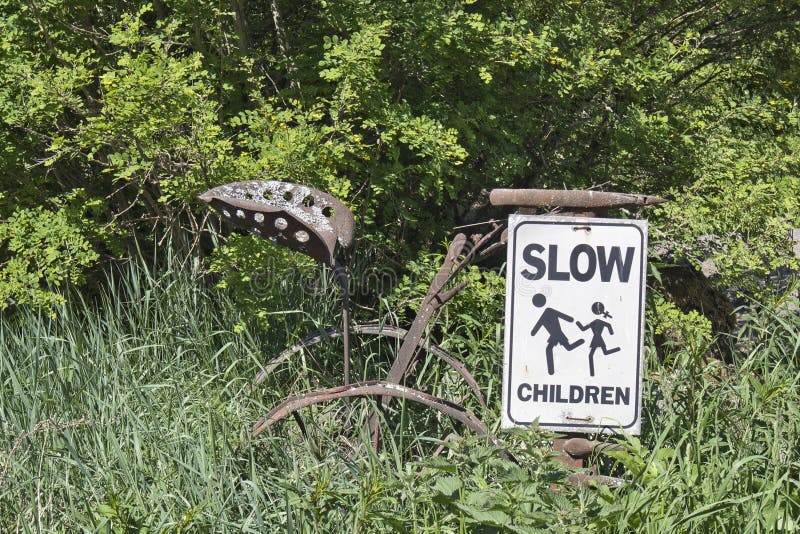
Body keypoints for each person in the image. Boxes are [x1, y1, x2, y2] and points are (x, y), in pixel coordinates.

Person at [530, 293, 584, 375]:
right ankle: (551, 371)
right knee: (549, 349)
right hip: (554, 335)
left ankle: (581, 341)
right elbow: (537, 326)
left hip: (558, 333)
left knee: (567, 348)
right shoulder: (546, 314)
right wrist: (533, 332)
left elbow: (565, 317)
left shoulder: (549, 311)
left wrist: (570, 319)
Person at [576, 302, 620, 377]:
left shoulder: (598, 321)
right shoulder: (594, 322)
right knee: (598, 354)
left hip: (597, 338)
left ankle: (617, 349)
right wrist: (577, 323)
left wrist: (611, 333)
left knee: (594, 355)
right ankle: (592, 374)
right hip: (597, 338)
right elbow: (583, 328)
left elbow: (609, 325)